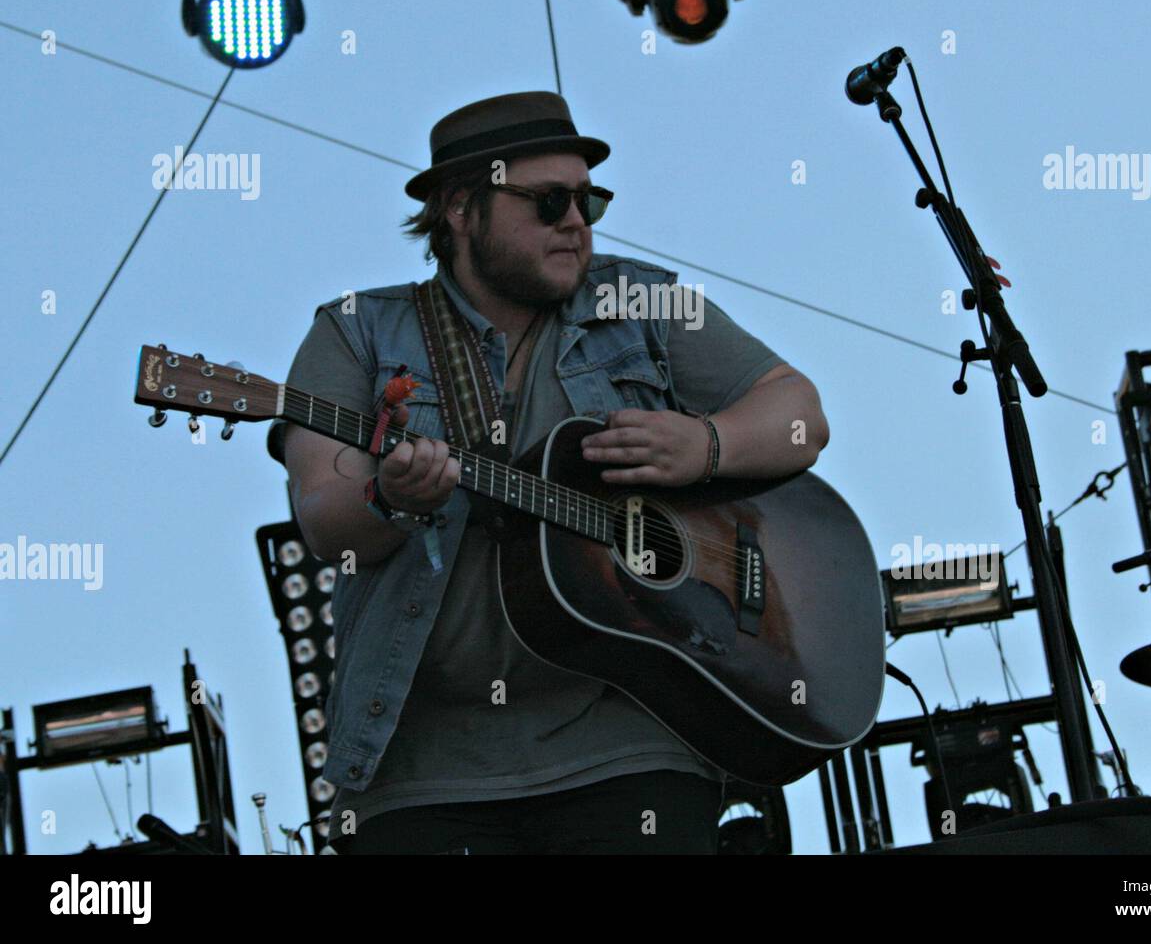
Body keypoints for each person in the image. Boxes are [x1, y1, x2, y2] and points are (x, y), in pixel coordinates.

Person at [266, 90, 830, 854]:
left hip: (632, 739)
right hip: (424, 772)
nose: (577, 221)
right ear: (461, 210)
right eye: (549, 200)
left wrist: (706, 444)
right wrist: (387, 496)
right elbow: (326, 518)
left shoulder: (643, 302)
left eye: (589, 199)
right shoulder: (357, 331)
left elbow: (799, 414)